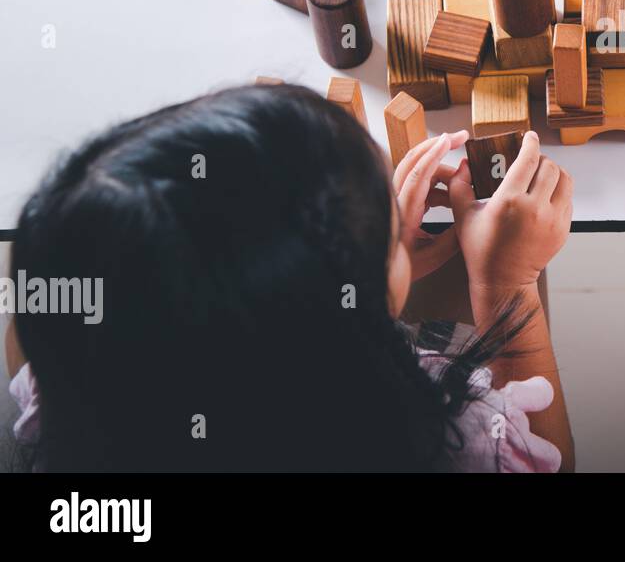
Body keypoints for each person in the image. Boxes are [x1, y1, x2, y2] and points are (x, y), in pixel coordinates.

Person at [6, 84, 574, 471]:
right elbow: (549, 459)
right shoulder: (454, 444)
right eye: (386, 228)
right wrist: (507, 285)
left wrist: (359, 269)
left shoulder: (77, 379)